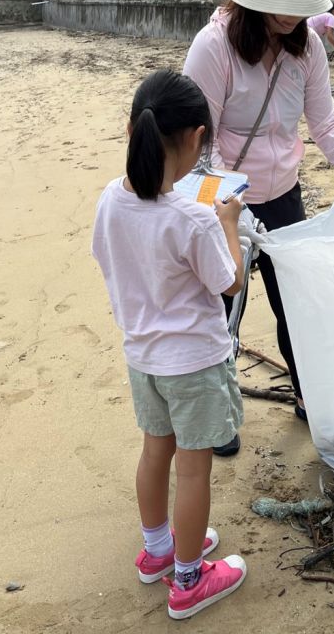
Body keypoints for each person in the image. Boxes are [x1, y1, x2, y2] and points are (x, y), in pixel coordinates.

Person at [183, 0, 334, 431]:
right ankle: (216, 412)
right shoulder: (214, 46)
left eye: (296, 1)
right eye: (278, 1)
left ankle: (308, 392)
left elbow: (325, 124)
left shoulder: (307, 46)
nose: (289, 14)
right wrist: (231, 203)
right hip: (220, 197)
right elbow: (202, 142)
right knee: (222, 307)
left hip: (283, 194)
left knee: (296, 303)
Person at [91, 69, 248, 619]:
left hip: (142, 355)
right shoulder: (192, 217)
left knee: (154, 451)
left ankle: (158, 550)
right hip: (194, 362)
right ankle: (188, 579)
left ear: (133, 128)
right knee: (194, 468)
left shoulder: (111, 198)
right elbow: (228, 282)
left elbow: (107, 257)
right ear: (197, 140)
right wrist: (227, 222)